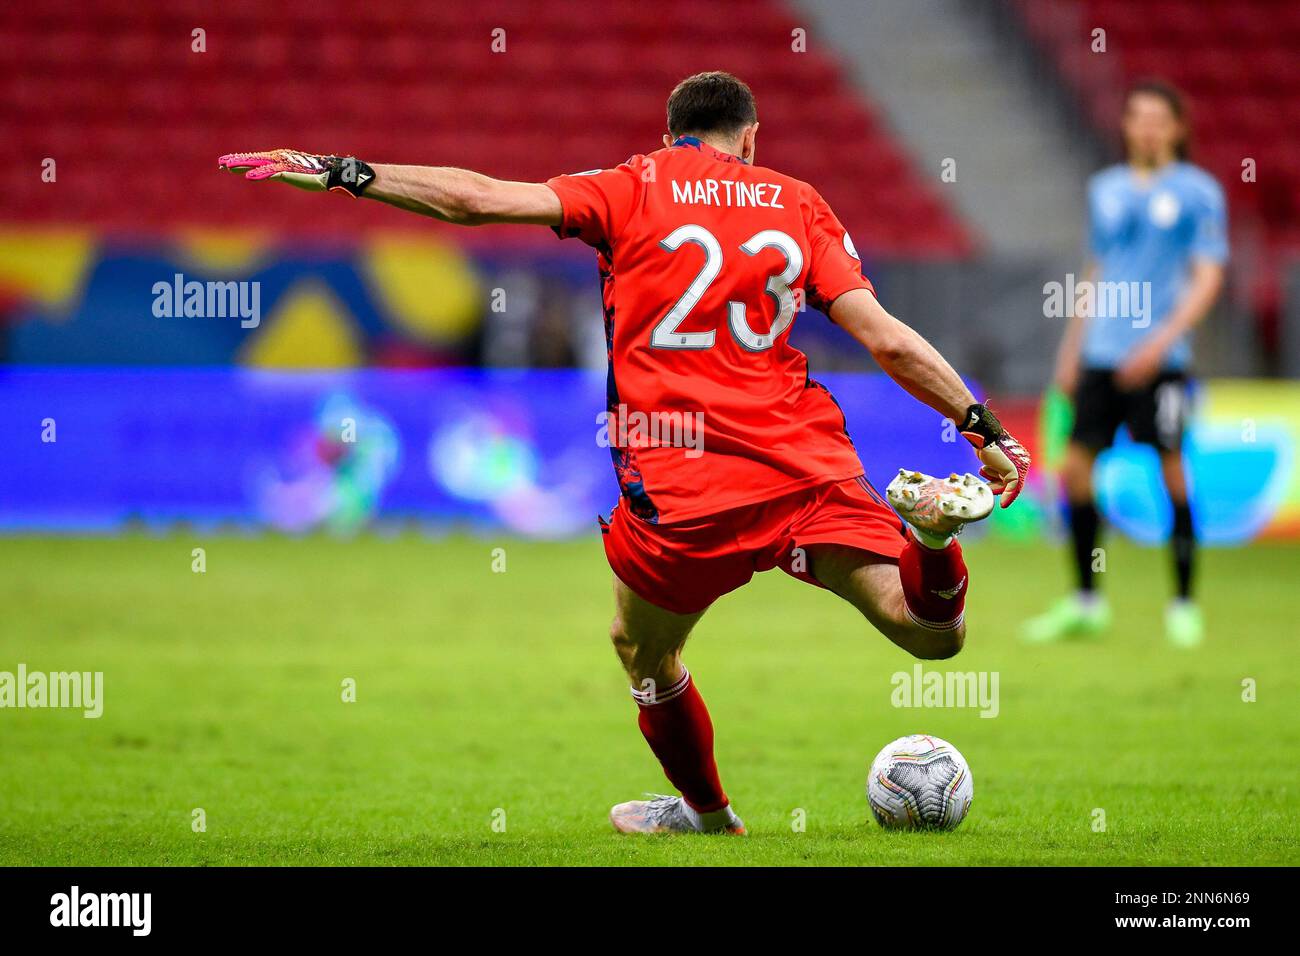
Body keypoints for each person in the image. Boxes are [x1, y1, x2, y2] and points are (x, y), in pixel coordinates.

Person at [219, 71, 1029, 834]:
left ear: (670, 133)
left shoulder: (631, 185)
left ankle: (709, 816)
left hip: (681, 487)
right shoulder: (798, 203)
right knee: (930, 636)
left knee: (645, 649)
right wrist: (982, 429)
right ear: (750, 139)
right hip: (803, 464)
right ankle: (928, 537)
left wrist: (340, 171)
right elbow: (886, 341)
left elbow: (474, 199)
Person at [1027, 79, 1227, 649]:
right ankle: (1086, 600)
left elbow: (1208, 277)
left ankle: (1184, 603)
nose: (1145, 127)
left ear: (1177, 127)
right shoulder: (1106, 188)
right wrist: (1072, 347)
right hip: (1101, 353)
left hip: (1159, 360)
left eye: (1156, 118)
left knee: (1170, 469)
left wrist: (1160, 344)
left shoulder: (1198, 193)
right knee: (1075, 467)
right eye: (1135, 116)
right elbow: (1098, 270)